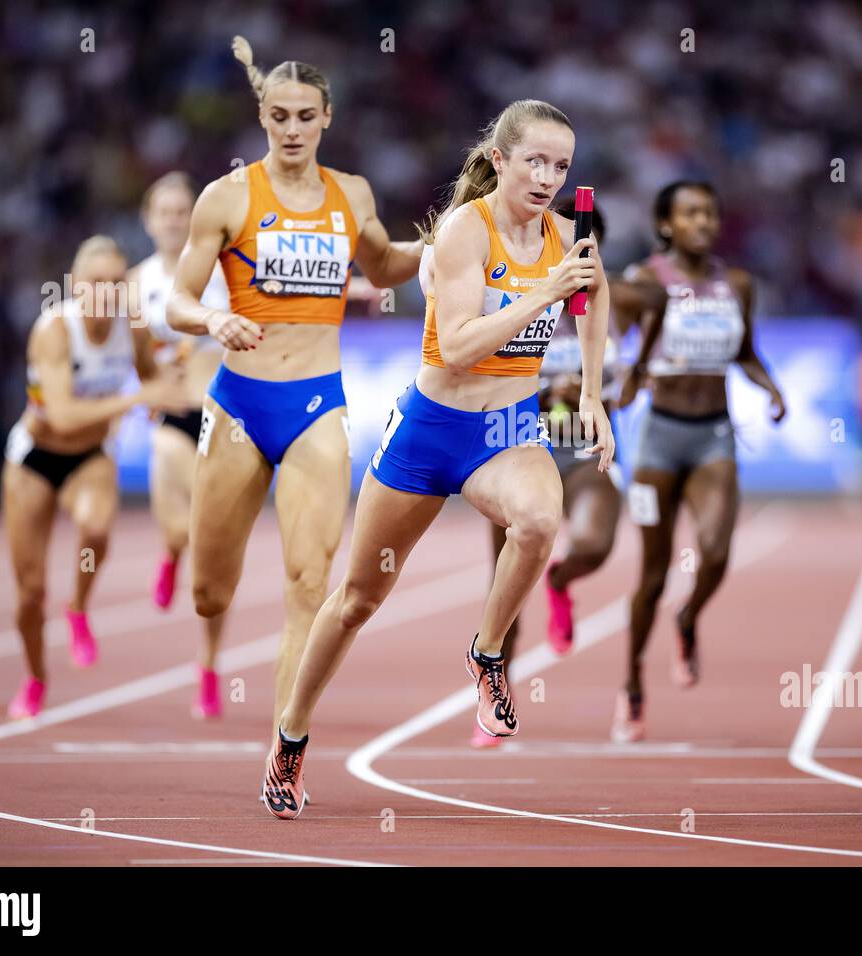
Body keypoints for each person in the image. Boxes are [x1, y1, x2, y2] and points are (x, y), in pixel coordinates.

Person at [263, 99, 612, 819]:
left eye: (562, 166)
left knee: (541, 523)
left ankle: (488, 654)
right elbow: (455, 346)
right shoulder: (464, 231)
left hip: (506, 432)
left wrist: (595, 395)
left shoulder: (567, 235)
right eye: (536, 161)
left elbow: (595, 292)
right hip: (429, 432)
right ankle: (290, 738)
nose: (548, 177)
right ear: (502, 159)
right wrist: (543, 292)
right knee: (358, 597)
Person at [166, 37, 422, 732]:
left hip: (317, 404)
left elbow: (389, 265)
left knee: (310, 584)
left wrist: (440, 239)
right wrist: (214, 317)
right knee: (209, 595)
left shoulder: (351, 194)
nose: (291, 130)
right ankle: (210, 634)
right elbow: (176, 302)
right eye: (278, 116)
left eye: (304, 116)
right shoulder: (226, 197)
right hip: (238, 405)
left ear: (326, 117)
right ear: (262, 117)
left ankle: (286, 743)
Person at [610, 180, 785, 744]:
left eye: (709, 212)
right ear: (666, 224)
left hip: (713, 435)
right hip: (658, 439)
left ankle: (688, 619)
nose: (703, 222)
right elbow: (601, 325)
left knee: (715, 551)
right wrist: (622, 378)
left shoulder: (737, 284)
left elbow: (748, 353)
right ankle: (632, 681)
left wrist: (772, 388)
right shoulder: (644, 281)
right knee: (653, 575)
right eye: (689, 214)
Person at [4, 235, 187, 718]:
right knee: (29, 592)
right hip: (36, 456)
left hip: (90, 456)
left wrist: (166, 388)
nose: (106, 292)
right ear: (76, 286)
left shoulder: (136, 328)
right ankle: (36, 677)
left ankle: (79, 607)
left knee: (96, 528)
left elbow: (151, 377)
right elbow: (62, 415)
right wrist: (135, 402)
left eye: (114, 282)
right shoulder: (55, 330)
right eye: (95, 283)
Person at [468, 197, 625, 749]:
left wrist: (601, 393)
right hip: (514, 446)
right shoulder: (522, 293)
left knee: (596, 544)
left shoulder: (615, 304)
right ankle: (493, 691)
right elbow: (482, 365)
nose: (586, 259)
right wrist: (545, 393)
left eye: (594, 249)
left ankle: (561, 581)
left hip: (583, 453)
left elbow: (641, 375)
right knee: (502, 583)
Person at [132, 171, 232, 718]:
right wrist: (148, 386)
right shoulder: (134, 283)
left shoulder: (219, 273)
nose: (172, 220)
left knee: (212, 552)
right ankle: (170, 551)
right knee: (181, 531)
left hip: (219, 417)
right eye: (163, 211)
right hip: (172, 420)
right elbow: (126, 351)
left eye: (181, 211)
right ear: (148, 221)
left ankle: (209, 666)